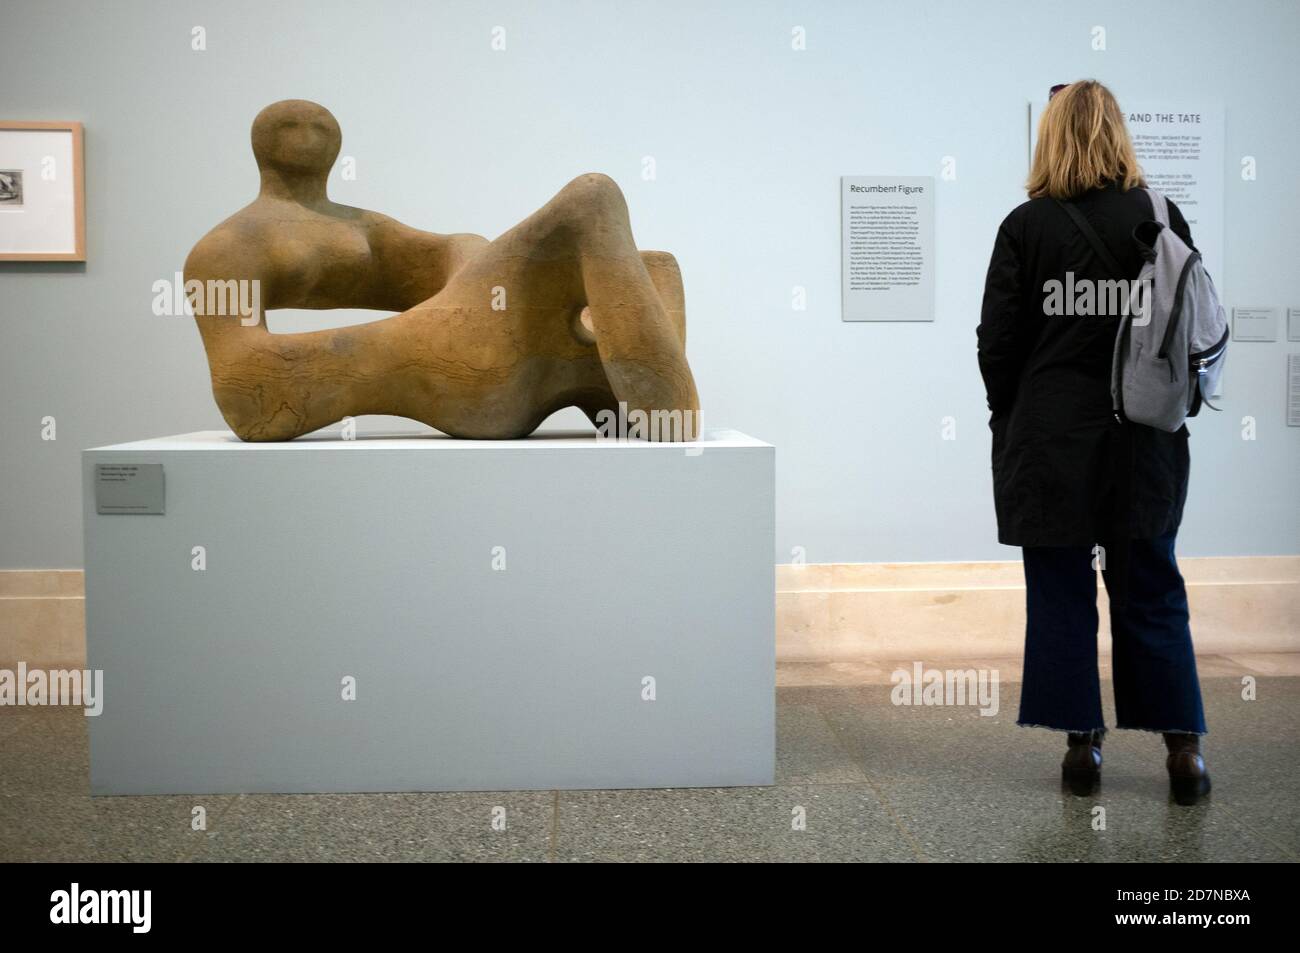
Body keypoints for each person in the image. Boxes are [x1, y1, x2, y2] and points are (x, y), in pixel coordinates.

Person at [184, 100, 698, 442]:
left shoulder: (361, 226)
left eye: (319, 125)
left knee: (655, 268)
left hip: (486, 364)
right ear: (262, 142)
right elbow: (242, 381)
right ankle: (664, 406)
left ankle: (624, 393)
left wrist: (481, 286)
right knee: (592, 196)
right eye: (293, 125)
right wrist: (419, 338)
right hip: (464, 373)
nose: (310, 131)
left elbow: (450, 250)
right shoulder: (226, 248)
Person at [977, 80, 1210, 804]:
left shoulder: (1026, 227)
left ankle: (1083, 747)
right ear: (1119, 132)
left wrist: (1006, 415)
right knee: (1151, 589)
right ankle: (1184, 753)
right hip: (1144, 440)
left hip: (1051, 442)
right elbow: (1192, 330)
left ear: (1051, 136)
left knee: (1062, 592)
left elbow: (998, 344)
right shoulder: (1165, 217)